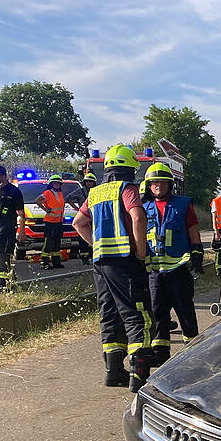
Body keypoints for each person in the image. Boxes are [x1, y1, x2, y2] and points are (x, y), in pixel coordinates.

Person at [71, 144, 154, 391]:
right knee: (136, 314)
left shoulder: (94, 193)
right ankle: (138, 376)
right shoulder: (127, 188)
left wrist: (96, 244)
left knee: (109, 315)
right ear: (130, 168)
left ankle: (113, 372)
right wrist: (140, 252)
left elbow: (79, 222)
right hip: (125, 261)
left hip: (100, 262)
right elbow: (138, 217)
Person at [143, 163, 203, 366]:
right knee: (158, 313)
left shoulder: (183, 204)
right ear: (149, 186)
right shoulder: (144, 207)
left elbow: (192, 229)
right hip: (155, 272)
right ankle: (161, 353)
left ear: (170, 184)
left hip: (178, 270)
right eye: (154, 182)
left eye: (162, 181)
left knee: (185, 310)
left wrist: (196, 251)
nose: (158, 185)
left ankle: (192, 351)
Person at [66, 172, 97, 264]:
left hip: (95, 217)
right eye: (87, 181)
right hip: (84, 217)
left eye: (90, 181)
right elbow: (68, 198)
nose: (88, 183)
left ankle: (94, 256)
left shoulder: (97, 190)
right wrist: (78, 209)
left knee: (94, 236)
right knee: (83, 238)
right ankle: (84, 258)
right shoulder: (81, 191)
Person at [36, 174, 66, 269]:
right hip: (50, 222)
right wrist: (46, 209)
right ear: (51, 184)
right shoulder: (47, 193)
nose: (57, 185)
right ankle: (44, 262)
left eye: (58, 183)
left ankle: (56, 262)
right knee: (49, 242)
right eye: (55, 183)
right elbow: (37, 200)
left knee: (57, 243)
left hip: (59, 222)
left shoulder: (60, 193)